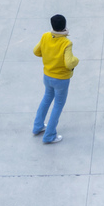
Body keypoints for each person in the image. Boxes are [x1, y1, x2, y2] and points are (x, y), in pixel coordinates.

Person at [31, 14, 78, 143]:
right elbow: (69, 63)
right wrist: (76, 61)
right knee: (58, 105)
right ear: (64, 26)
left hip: (47, 76)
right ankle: (49, 135)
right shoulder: (66, 43)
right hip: (61, 79)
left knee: (46, 99)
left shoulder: (45, 36)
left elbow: (36, 51)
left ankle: (38, 126)